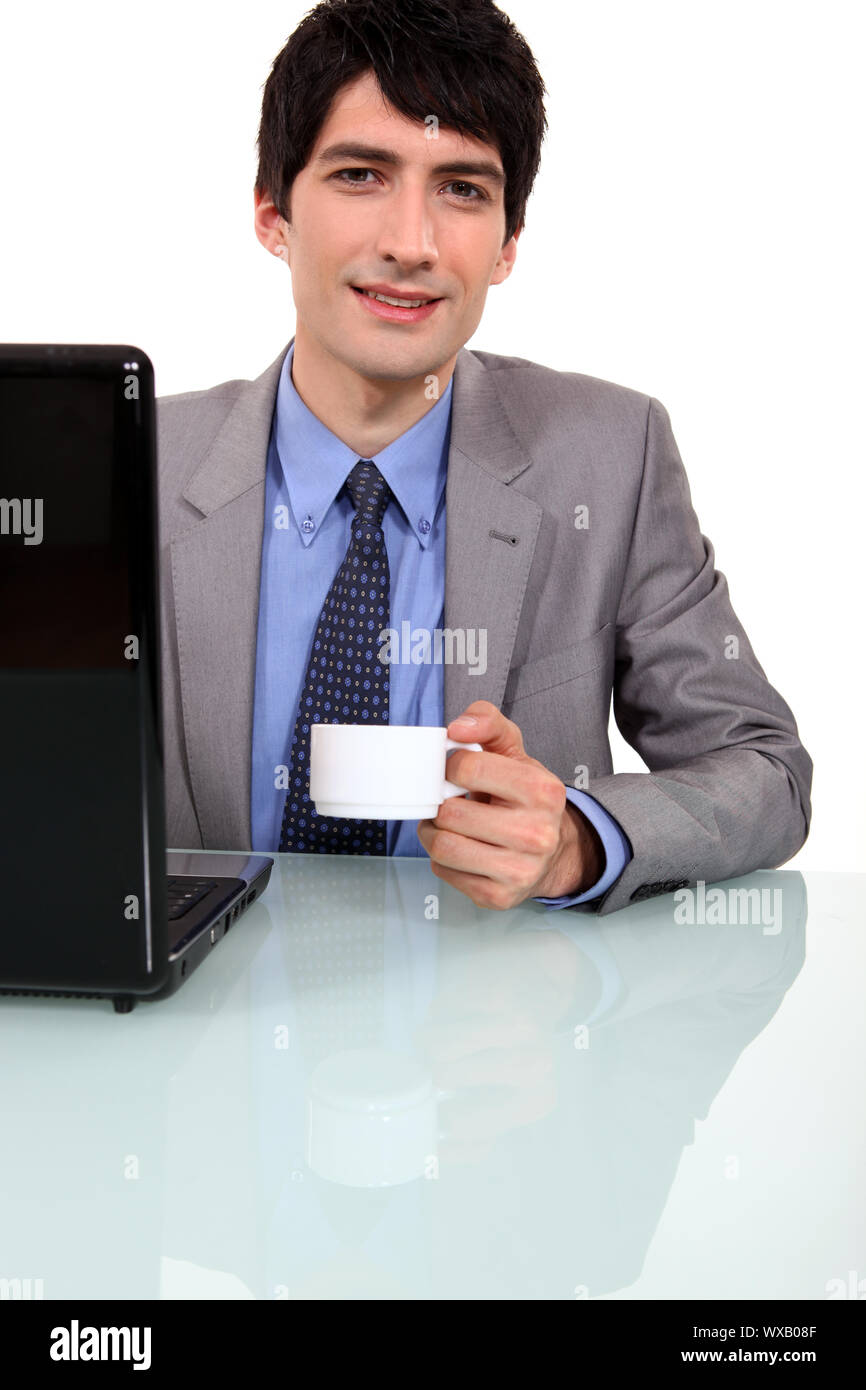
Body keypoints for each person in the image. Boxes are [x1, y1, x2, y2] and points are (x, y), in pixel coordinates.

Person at [155, 0, 811, 915]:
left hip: (500, 997)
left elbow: (766, 771)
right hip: (199, 1004)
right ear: (273, 214)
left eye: (462, 189)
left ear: (507, 245)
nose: (411, 244)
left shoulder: (611, 455)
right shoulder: (130, 467)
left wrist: (581, 838)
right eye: (360, 175)